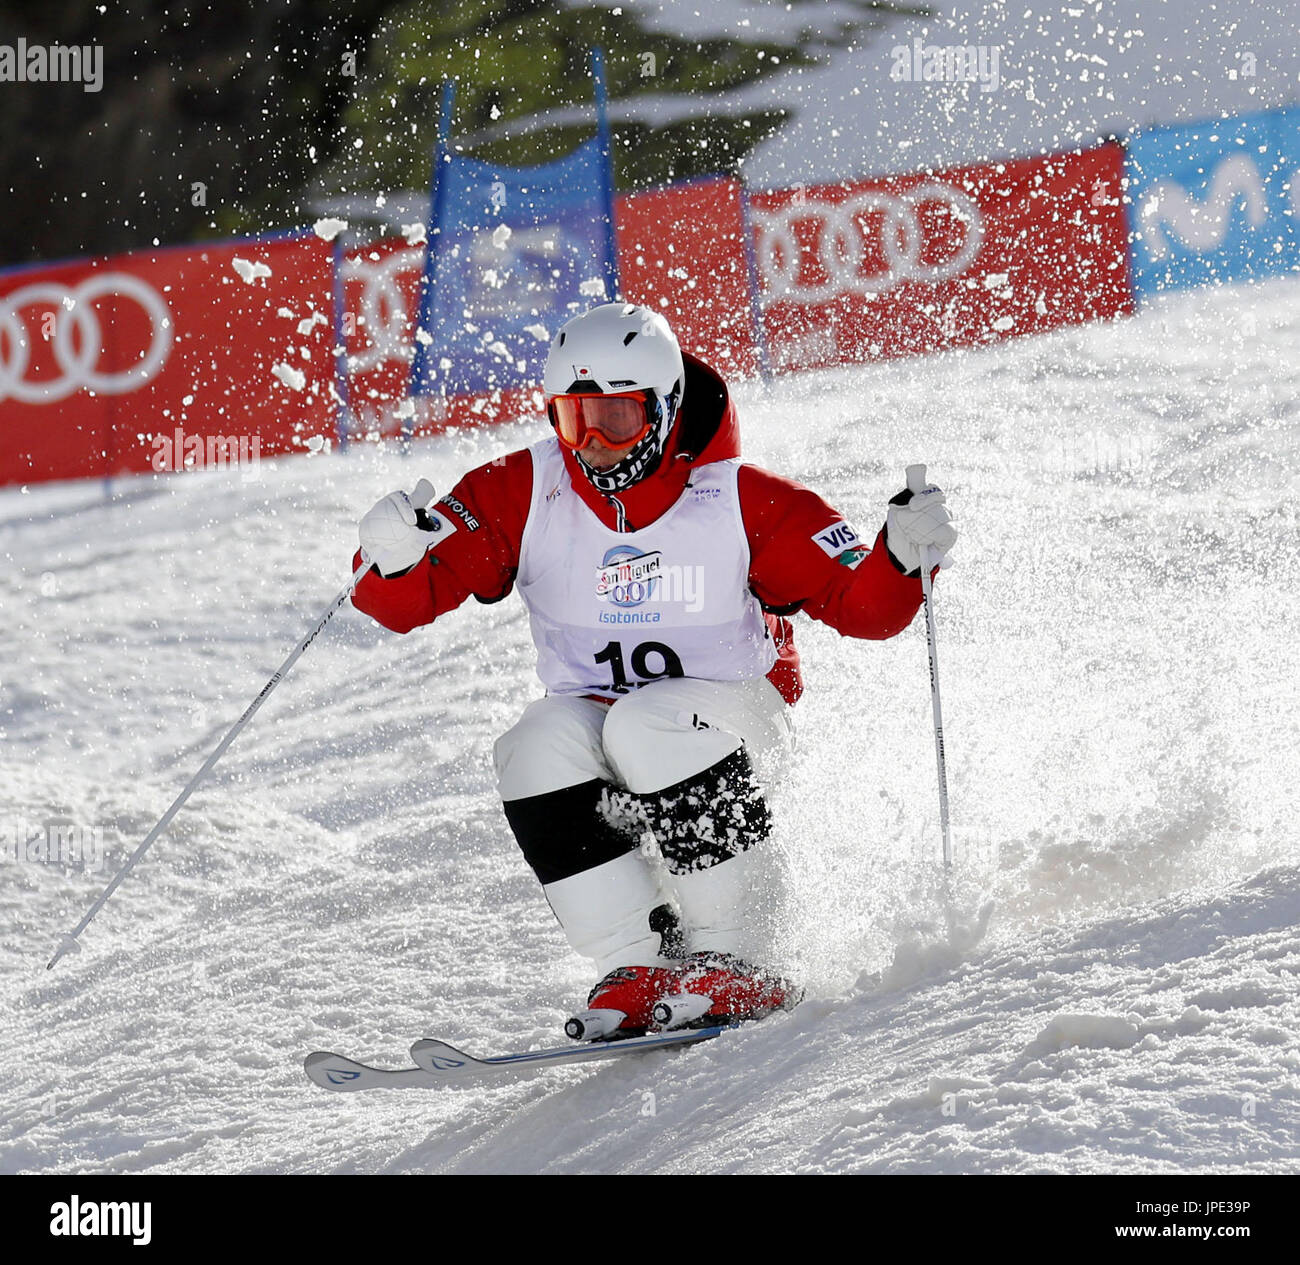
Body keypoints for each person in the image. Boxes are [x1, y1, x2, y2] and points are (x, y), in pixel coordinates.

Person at [352, 302, 956, 1041]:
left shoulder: (740, 499)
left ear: (665, 406)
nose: (597, 445)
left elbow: (865, 605)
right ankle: (641, 958)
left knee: (649, 721)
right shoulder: (523, 490)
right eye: (575, 421)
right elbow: (409, 596)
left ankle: (742, 947)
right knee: (532, 743)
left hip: (735, 730)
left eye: (618, 417)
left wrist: (899, 558)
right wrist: (390, 560)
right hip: (608, 734)